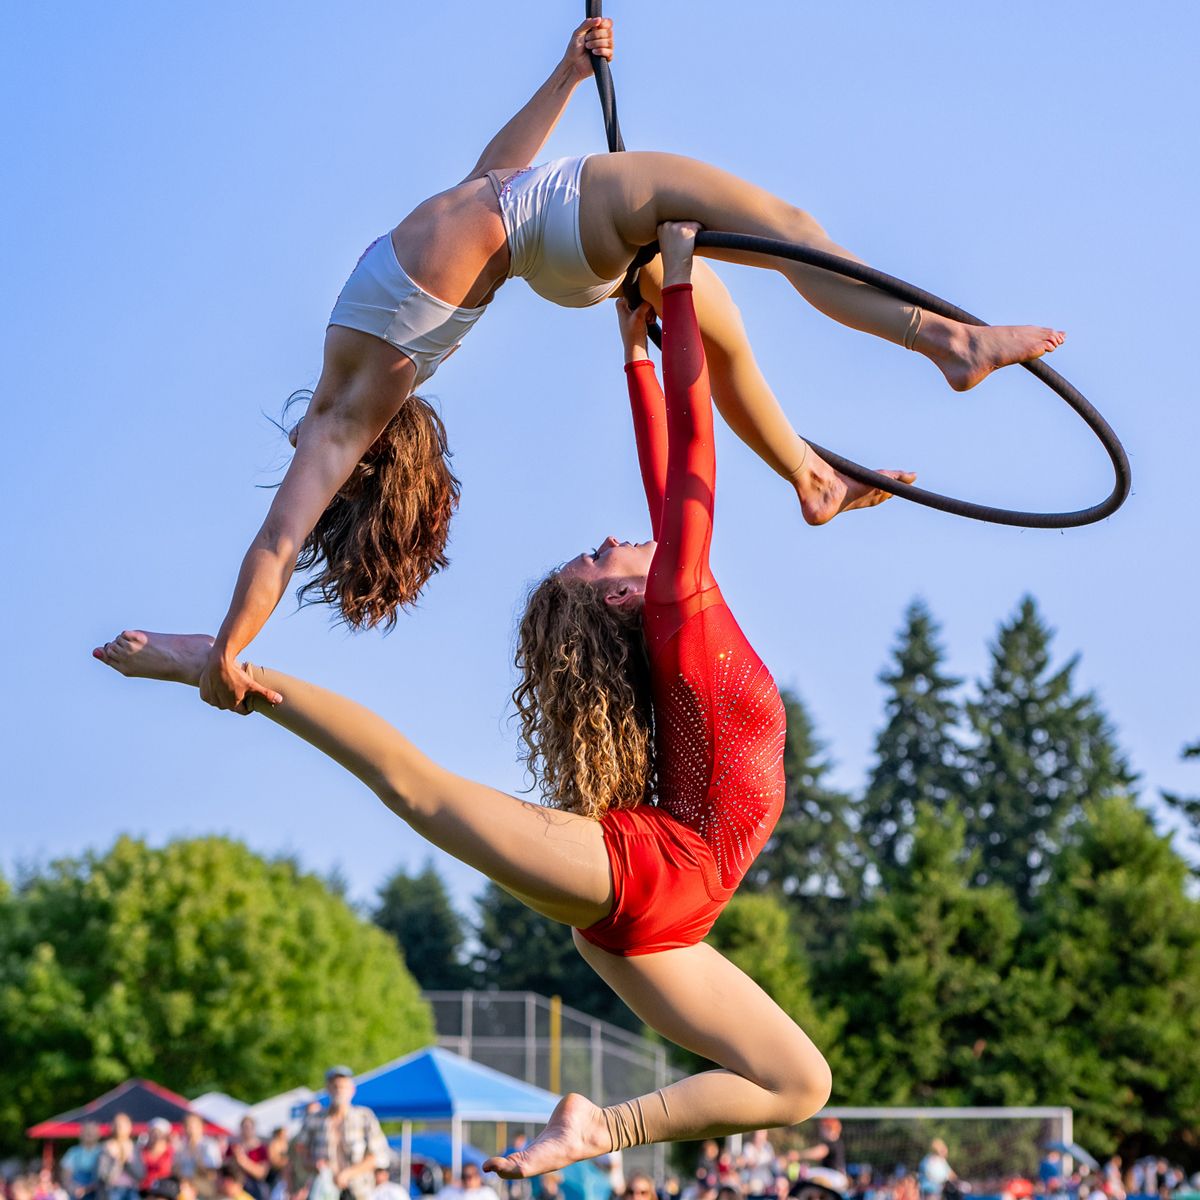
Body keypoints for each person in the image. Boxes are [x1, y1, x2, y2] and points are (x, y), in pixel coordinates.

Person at [98, 224, 906, 1173]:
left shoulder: (681, 606)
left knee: (793, 1084)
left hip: (674, 913)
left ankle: (603, 1127)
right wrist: (676, 293)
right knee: (418, 790)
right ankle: (219, 665)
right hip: (657, 878)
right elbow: (693, 462)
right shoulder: (678, 604)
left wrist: (632, 350)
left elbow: (665, 472)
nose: (615, 537)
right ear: (618, 595)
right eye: (602, 555)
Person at [183, 13, 1062, 716]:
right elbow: (277, 540)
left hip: (552, 238)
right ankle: (948, 342)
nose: (293, 439)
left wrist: (565, 75)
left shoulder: (361, 351)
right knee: (792, 232)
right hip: (567, 218)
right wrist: (225, 650)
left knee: (727, 341)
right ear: (359, 466)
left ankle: (810, 478)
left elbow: (480, 184)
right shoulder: (350, 412)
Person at [292, 1068, 388, 1200]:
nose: (339, 1091)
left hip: (359, 1190)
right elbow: (300, 1152)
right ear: (328, 1089)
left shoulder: (364, 1116)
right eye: (335, 1086)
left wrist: (348, 1174)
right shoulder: (314, 1119)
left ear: (352, 1090)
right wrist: (314, 1164)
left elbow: (378, 1156)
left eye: (343, 1087)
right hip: (324, 1190)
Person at [98, 1114, 143, 1200]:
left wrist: (126, 1162)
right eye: (117, 1124)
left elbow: (140, 1175)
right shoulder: (106, 1147)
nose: (119, 1128)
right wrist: (116, 1160)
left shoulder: (135, 1148)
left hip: (132, 1190)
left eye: (122, 1125)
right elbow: (105, 1176)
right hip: (112, 1190)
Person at [61, 1123, 104, 1200]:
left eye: (92, 1131)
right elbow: (66, 1176)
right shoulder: (73, 1152)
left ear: (98, 1134)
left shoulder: (103, 1152)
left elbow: (105, 1176)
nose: (89, 1133)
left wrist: (89, 1188)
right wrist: (74, 1188)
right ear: (81, 1134)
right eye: (87, 1131)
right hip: (76, 1194)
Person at [142, 1121, 177, 1193]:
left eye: (159, 1133)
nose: (156, 1136)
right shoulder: (142, 1151)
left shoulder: (172, 1152)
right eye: (154, 1133)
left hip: (166, 1190)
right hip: (145, 1190)